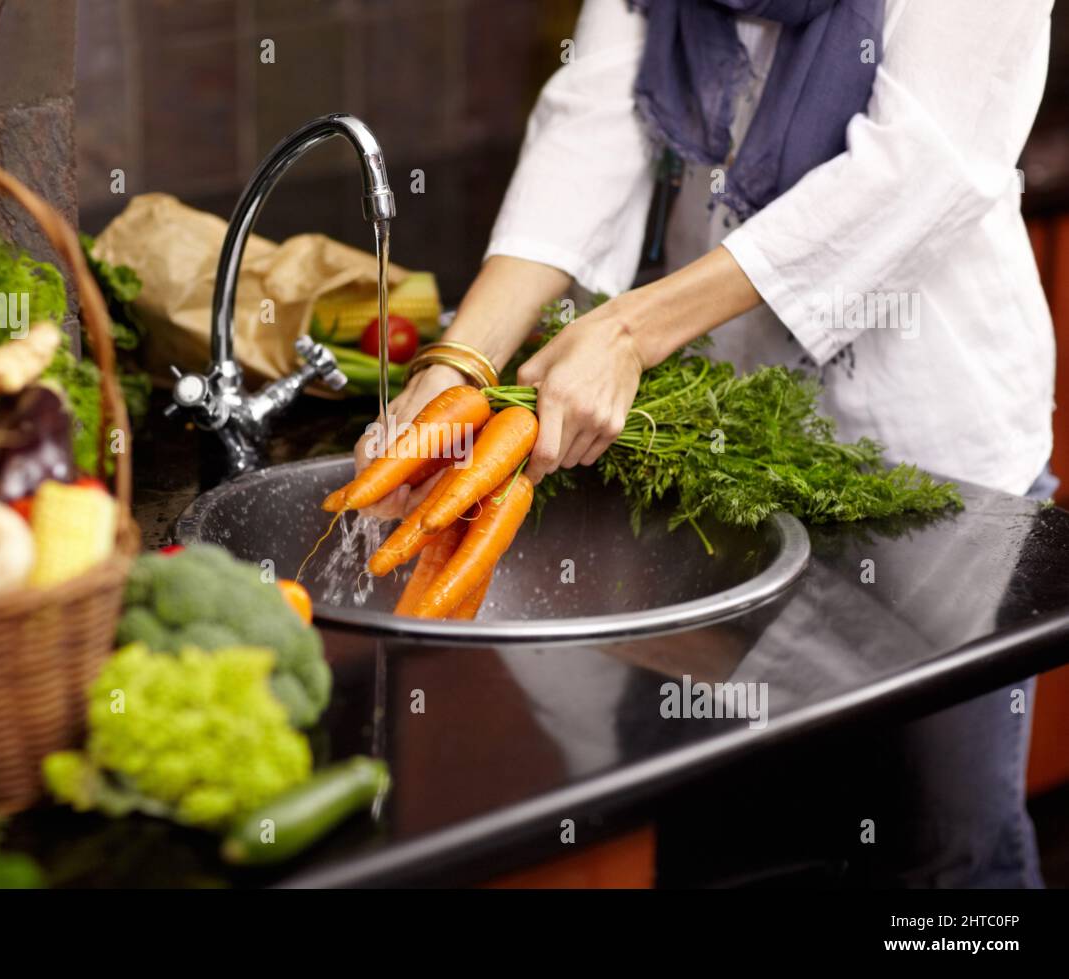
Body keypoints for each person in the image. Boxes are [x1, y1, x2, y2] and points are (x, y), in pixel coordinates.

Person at [355, 0, 1057, 887]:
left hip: (930, 450)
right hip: (723, 451)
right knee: (725, 825)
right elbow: (597, 117)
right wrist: (463, 361)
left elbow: (923, 170)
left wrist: (628, 332)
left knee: (945, 854)